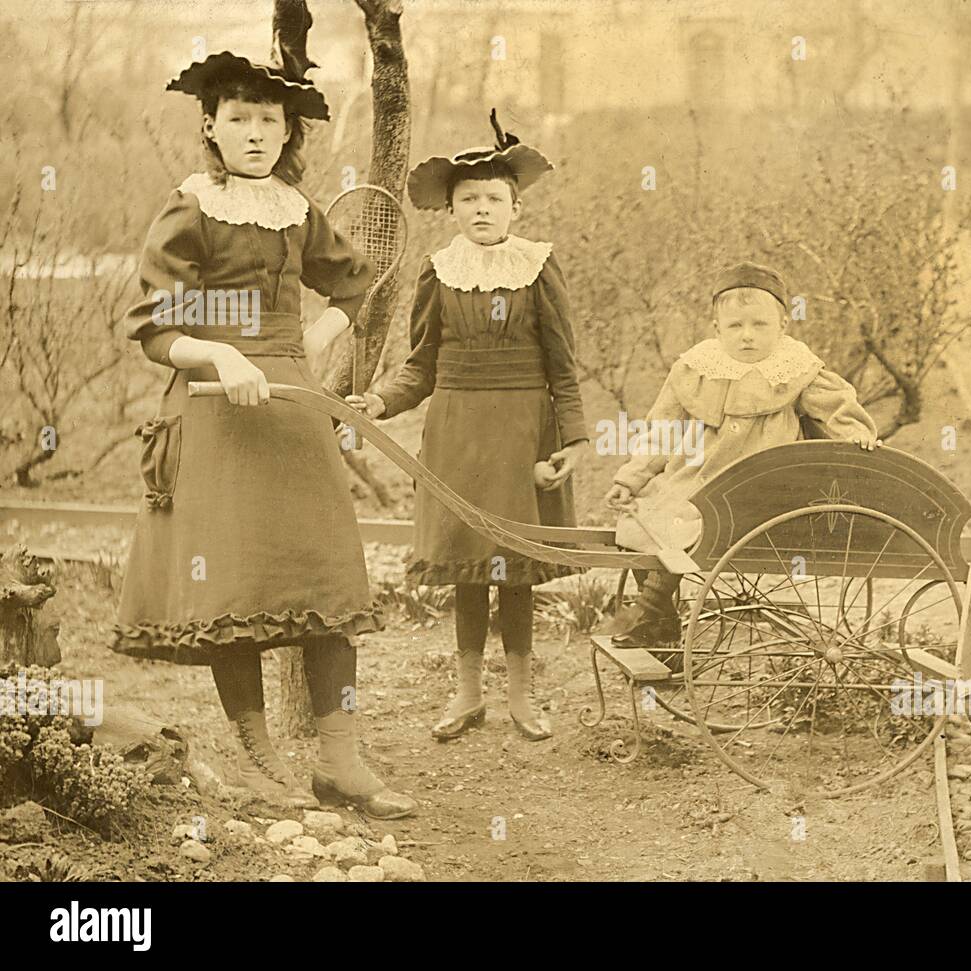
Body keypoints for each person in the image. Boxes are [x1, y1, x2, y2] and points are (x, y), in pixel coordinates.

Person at [114, 50, 416, 819]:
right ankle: (258, 763)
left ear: (288, 133)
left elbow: (353, 276)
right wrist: (219, 350)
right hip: (216, 410)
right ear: (210, 127)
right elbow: (151, 323)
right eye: (239, 119)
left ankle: (343, 761)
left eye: (269, 121)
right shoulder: (189, 206)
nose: (255, 134)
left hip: (293, 406)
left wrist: (326, 332)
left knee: (330, 583)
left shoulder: (294, 207)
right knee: (236, 588)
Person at [349, 112, 587, 742]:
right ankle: (466, 695)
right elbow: (421, 367)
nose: (481, 209)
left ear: (515, 207)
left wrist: (574, 440)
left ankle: (520, 698)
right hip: (456, 435)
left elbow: (563, 364)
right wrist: (378, 401)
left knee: (514, 565)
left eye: (494, 199)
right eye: (468, 200)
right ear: (451, 210)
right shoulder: (438, 270)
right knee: (465, 568)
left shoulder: (539, 266)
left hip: (523, 436)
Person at [603, 261, 880, 660]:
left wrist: (855, 435)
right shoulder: (695, 369)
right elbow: (661, 430)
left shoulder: (796, 368)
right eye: (735, 326)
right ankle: (662, 622)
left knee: (685, 525)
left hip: (764, 486)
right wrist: (631, 478)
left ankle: (646, 615)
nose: (747, 336)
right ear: (717, 328)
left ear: (783, 324)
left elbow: (837, 409)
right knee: (646, 519)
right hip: (698, 478)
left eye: (759, 325)